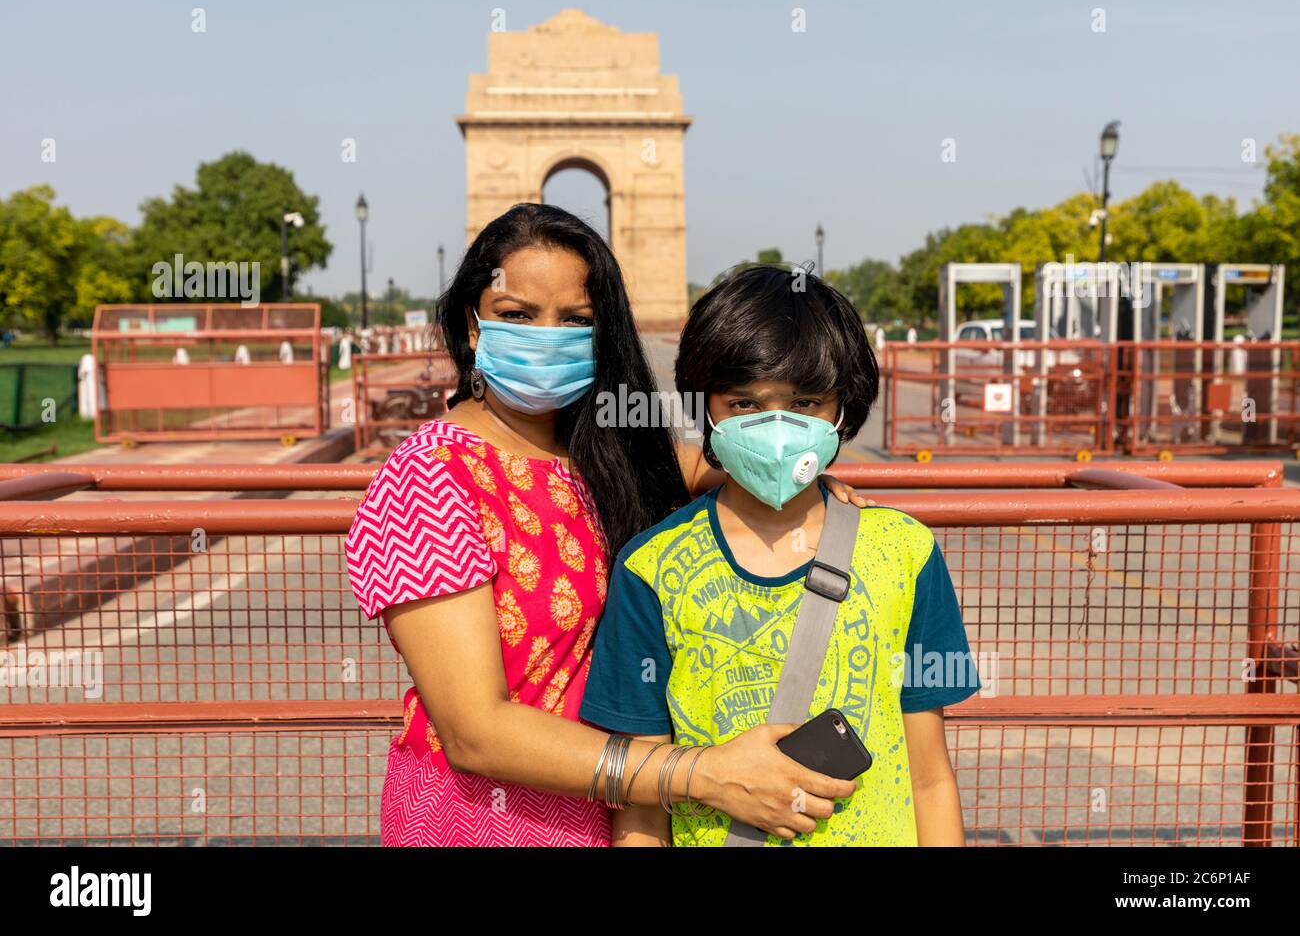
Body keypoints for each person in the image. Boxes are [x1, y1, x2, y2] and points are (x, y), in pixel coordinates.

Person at [344, 206, 860, 846]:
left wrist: (805, 477)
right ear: (471, 328)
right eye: (517, 315)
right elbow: (475, 731)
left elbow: (715, 461)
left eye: (576, 321)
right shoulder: (427, 478)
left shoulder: (604, 456)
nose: (546, 335)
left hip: (620, 813)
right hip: (484, 819)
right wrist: (705, 774)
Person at [580, 265, 981, 846]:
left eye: (804, 403)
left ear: (844, 408)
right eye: (745, 403)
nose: (775, 429)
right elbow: (642, 805)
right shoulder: (651, 570)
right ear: (706, 408)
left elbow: (930, 778)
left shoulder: (906, 554)